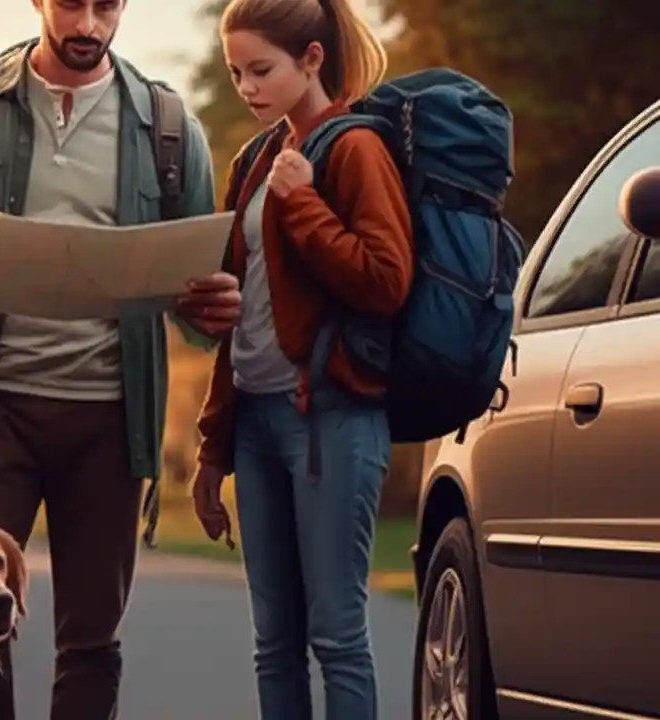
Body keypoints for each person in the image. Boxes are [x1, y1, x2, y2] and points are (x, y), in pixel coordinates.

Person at [0, 2, 240, 718]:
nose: (89, 25)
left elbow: (199, 288)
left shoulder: (168, 129)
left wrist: (211, 307)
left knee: (93, 640)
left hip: (111, 416)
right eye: (72, 3)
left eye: (107, 6)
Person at [189, 0, 413, 717]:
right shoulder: (253, 161)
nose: (247, 87)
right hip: (253, 421)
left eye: (262, 69)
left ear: (312, 60)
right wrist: (212, 450)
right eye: (235, 72)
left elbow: (386, 280)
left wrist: (307, 206)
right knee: (272, 642)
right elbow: (238, 318)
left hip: (332, 419)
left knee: (338, 636)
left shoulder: (356, 149)